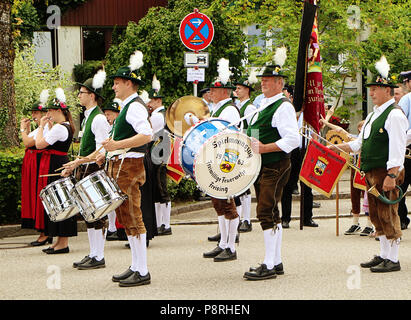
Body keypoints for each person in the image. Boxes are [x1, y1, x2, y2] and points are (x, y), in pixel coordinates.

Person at [330, 56, 408, 272]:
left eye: (375, 89)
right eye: (371, 89)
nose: (371, 92)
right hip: (372, 170)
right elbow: (359, 143)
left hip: (386, 171)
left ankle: (393, 259)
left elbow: (398, 147)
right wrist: (336, 148)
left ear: (388, 91)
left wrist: (392, 175)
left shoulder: (394, 115)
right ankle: (384, 254)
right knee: (375, 214)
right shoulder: (375, 114)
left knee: (388, 213)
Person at [96, 50, 153, 286]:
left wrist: (117, 145)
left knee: (133, 216)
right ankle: (135, 265)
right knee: (126, 216)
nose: (114, 87)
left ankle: (142, 270)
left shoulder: (134, 106)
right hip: (122, 164)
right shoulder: (128, 105)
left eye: (117, 83)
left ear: (128, 83)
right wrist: (107, 152)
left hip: (129, 165)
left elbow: (147, 134)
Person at [243, 61, 300, 280]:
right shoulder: (265, 104)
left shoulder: (283, 106)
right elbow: (257, 133)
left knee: (265, 211)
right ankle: (275, 261)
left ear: (279, 82)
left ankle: (268, 264)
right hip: (264, 164)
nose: (263, 83)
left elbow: (293, 139)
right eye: (262, 80)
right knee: (272, 212)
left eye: (267, 80)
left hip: (275, 163)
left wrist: (265, 148)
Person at [61, 71, 112, 269]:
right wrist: (75, 165)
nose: (79, 95)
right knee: (88, 213)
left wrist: (77, 163)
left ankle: (99, 256)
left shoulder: (98, 119)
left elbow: (101, 150)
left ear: (91, 95)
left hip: (93, 170)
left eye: (82, 92)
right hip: (85, 169)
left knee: (97, 214)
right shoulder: (88, 117)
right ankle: (93, 253)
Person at [201, 58, 242, 262]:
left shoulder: (229, 109)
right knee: (219, 202)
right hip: (218, 157)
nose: (210, 93)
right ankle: (223, 243)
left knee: (227, 204)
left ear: (224, 92)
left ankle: (231, 246)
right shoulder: (219, 108)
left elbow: (229, 135)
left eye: (214, 90)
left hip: (227, 158)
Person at [35, 88, 77, 254]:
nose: (49, 113)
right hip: (57, 163)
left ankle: (63, 242)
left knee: (61, 201)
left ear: (59, 111)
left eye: (51, 110)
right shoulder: (62, 126)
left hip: (56, 165)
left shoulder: (61, 128)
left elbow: (39, 144)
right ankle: (59, 240)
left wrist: (41, 127)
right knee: (58, 201)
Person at [20, 91, 51, 246]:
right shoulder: (39, 128)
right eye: (32, 113)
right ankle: (43, 230)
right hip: (34, 164)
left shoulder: (44, 128)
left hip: (40, 163)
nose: (33, 116)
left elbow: (28, 142)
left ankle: (45, 232)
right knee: (34, 195)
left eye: (36, 113)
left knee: (40, 196)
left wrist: (22, 129)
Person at [147, 76, 172, 236]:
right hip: (161, 152)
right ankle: (161, 222)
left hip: (158, 153)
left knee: (161, 189)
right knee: (158, 189)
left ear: (157, 100)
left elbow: (151, 135)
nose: (148, 104)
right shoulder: (162, 113)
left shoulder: (157, 115)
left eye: (150, 100)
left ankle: (166, 224)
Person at [233, 74, 258, 233]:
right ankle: (241, 217)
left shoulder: (250, 107)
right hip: (237, 146)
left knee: (245, 185)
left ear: (247, 90)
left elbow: (255, 128)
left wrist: (252, 148)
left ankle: (247, 219)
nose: (236, 91)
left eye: (239, 88)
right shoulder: (237, 106)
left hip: (245, 147)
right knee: (238, 184)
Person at [101, 99, 123, 239]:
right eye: (106, 115)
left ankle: (115, 228)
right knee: (110, 197)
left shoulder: (118, 127)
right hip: (110, 161)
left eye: (109, 114)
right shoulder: (111, 127)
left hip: (118, 163)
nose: (107, 117)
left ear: (116, 114)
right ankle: (112, 227)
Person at [397, 70, 411, 230]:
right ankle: (401, 218)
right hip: (407, 148)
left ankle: (402, 219)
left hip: (406, 148)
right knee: (400, 187)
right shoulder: (407, 99)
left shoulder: (407, 99)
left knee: (400, 187)